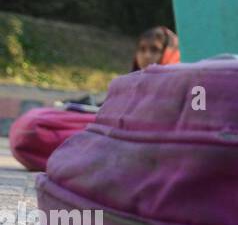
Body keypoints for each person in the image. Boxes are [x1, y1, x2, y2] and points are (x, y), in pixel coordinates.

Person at [9, 26, 181, 172]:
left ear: (170, 54)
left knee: (38, 131)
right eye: (142, 49)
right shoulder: (130, 82)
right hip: (107, 128)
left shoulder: (176, 86)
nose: (146, 56)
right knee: (34, 123)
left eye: (154, 50)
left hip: (127, 138)